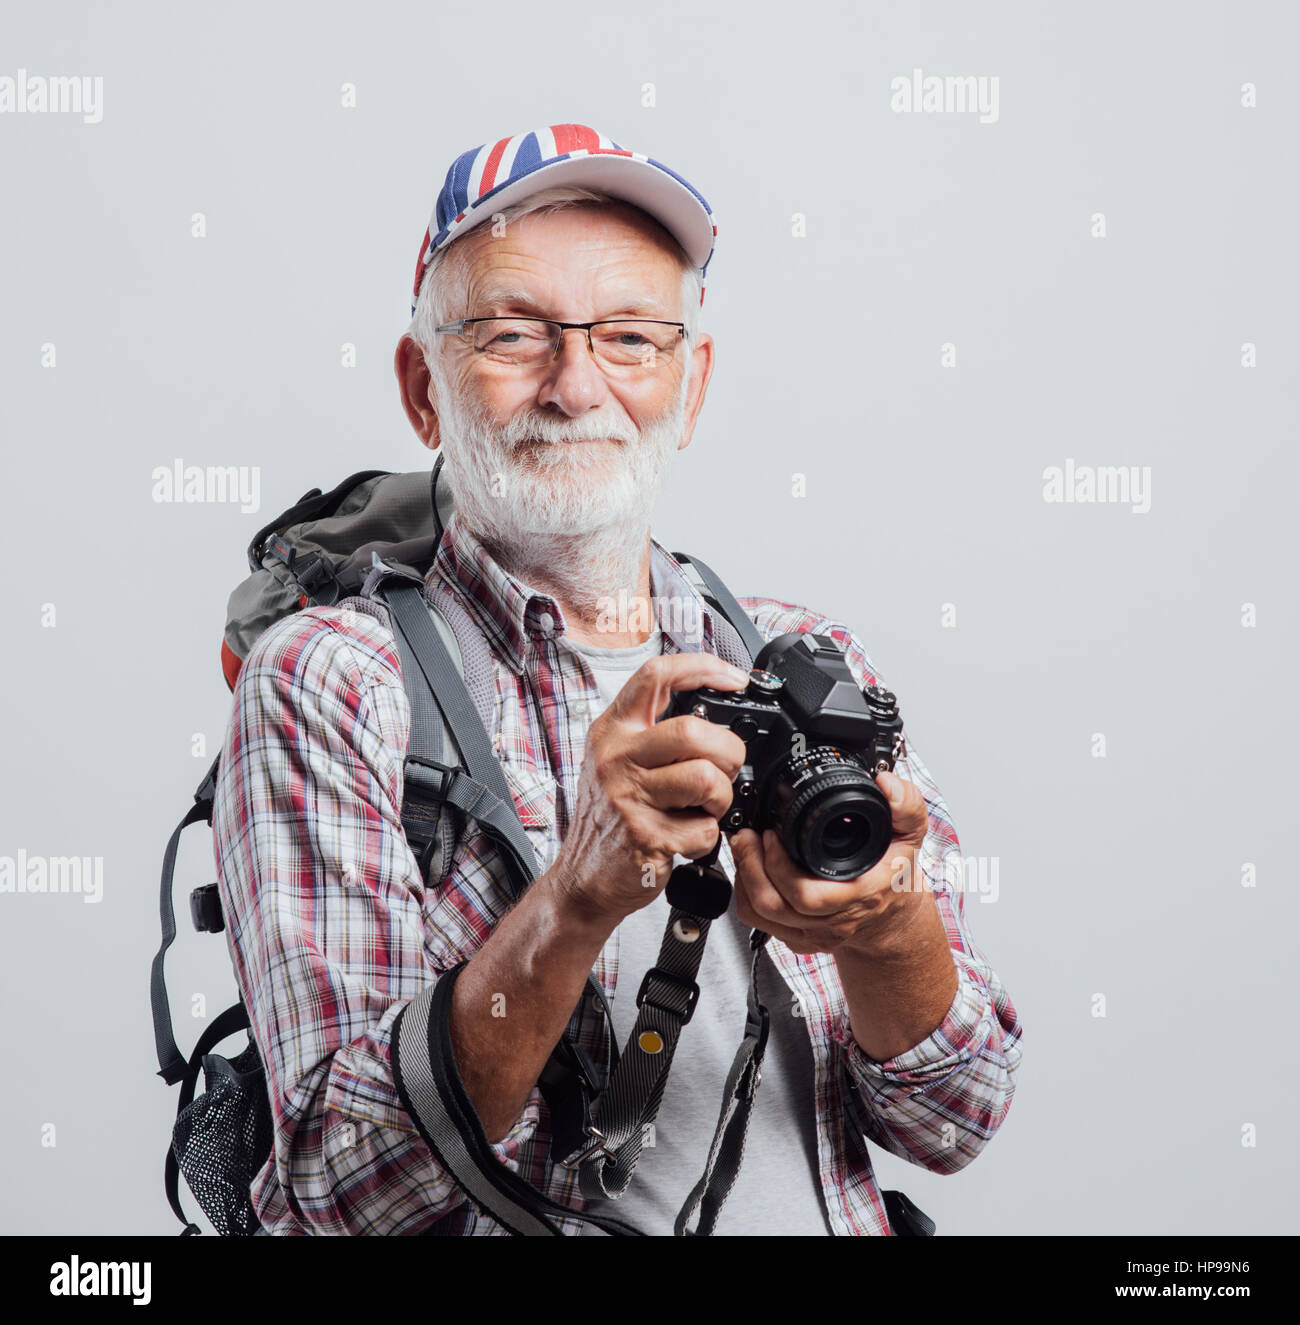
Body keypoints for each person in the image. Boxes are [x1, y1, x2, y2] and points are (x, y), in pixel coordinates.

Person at [212, 122, 1023, 1236]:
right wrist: (577, 896)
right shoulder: (335, 685)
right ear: (422, 388)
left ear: (688, 387)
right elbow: (335, 1191)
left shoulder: (794, 660)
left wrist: (891, 932)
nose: (576, 383)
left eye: (632, 338)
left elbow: (957, 1117)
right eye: (512, 334)